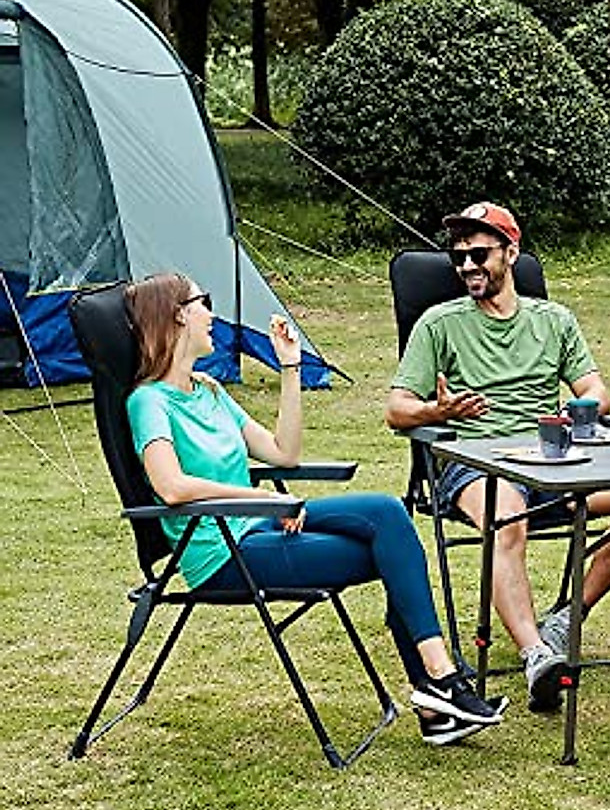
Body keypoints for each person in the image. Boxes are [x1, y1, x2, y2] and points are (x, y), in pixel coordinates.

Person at [123, 272, 504, 748]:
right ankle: (439, 685)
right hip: (221, 556)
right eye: (204, 301)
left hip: (256, 530)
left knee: (388, 515)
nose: (212, 314)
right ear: (178, 315)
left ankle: (437, 688)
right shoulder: (148, 402)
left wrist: (290, 367)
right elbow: (171, 486)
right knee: (395, 554)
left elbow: (283, 453)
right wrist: (267, 499)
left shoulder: (210, 391)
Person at [385, 202, 610, 712]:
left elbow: (597, 393)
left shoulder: (553, 321)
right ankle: (536, 655)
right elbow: (396, 409)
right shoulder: (439, 324)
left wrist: (575, 410)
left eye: (479, 254)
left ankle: (566, 619)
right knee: (507, 515)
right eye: (459, 257)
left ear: (511, 254)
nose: (467, 266)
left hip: (552, 461)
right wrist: (437, 410)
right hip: (476, 464)